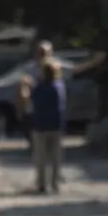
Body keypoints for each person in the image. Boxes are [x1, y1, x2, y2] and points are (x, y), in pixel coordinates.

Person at [17, 45, 67, 194]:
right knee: (56, 156)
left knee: (41, 157)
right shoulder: (59, 85)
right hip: (57, 124)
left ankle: (42, 184)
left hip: (41, 125)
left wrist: (23, 87)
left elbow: (27, 100)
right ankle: (55, 182)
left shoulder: (40, 87)